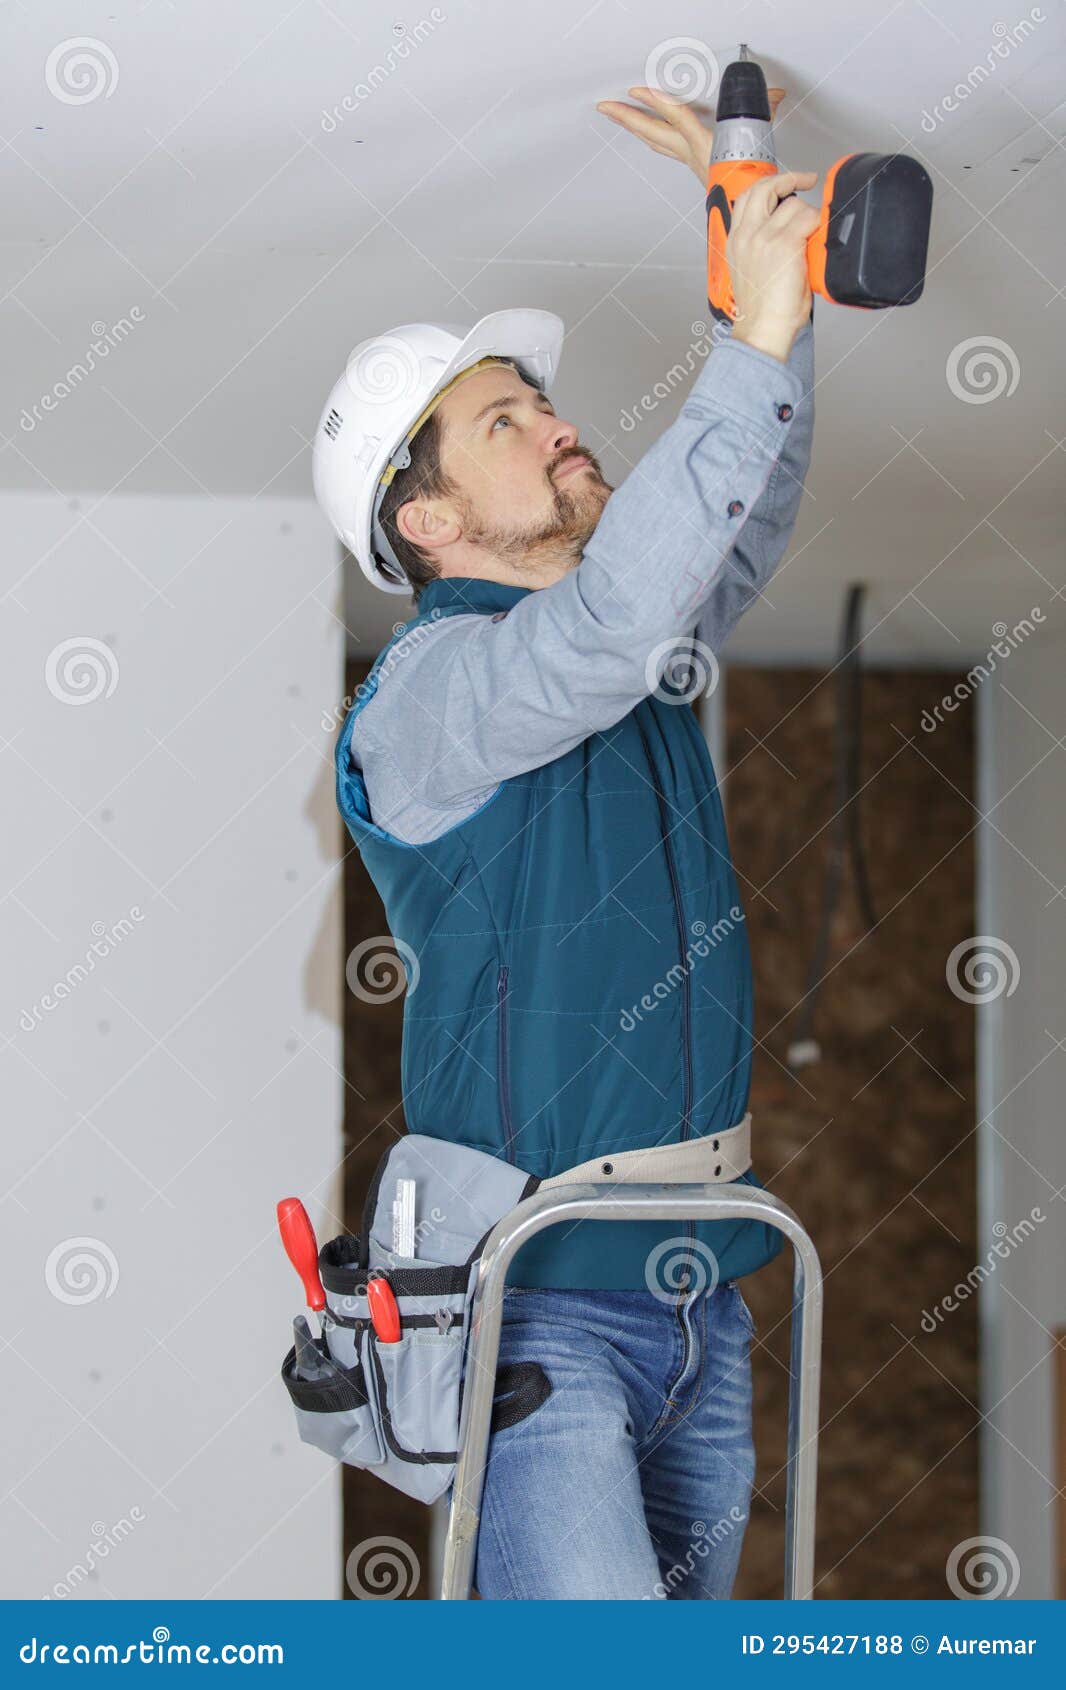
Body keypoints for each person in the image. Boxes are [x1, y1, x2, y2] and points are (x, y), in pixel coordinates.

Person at [313, 82, 820, 1600]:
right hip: (535, 1309)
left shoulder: (626, 642)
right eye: (503, 419)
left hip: (702, 1290)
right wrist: (751, 344)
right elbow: (601, 633)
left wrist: (745, 220)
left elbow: (746, 506)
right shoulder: (426, 700)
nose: (556, 420)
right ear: (427, 525)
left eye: (538, 399)